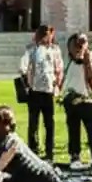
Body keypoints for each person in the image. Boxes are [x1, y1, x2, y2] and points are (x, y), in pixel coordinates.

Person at [60, 32, 92, 170]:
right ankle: (75, 157)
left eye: (81, 45)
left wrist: (87, 61)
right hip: (71, 101)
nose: (78, 48)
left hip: (87, 101)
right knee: (73, 132)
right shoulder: (69, 61)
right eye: (75, 45)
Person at [20, 25, 61, 162]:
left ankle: (49, 151)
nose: (49, 38)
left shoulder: (55, 50)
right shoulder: (32, 49)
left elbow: (58, 68)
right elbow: (23, 67)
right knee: (33, 122)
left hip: (49, 90)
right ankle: (33, 150)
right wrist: (28, 81)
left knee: (49, 123)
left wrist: (57, 84)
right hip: (35, 90)